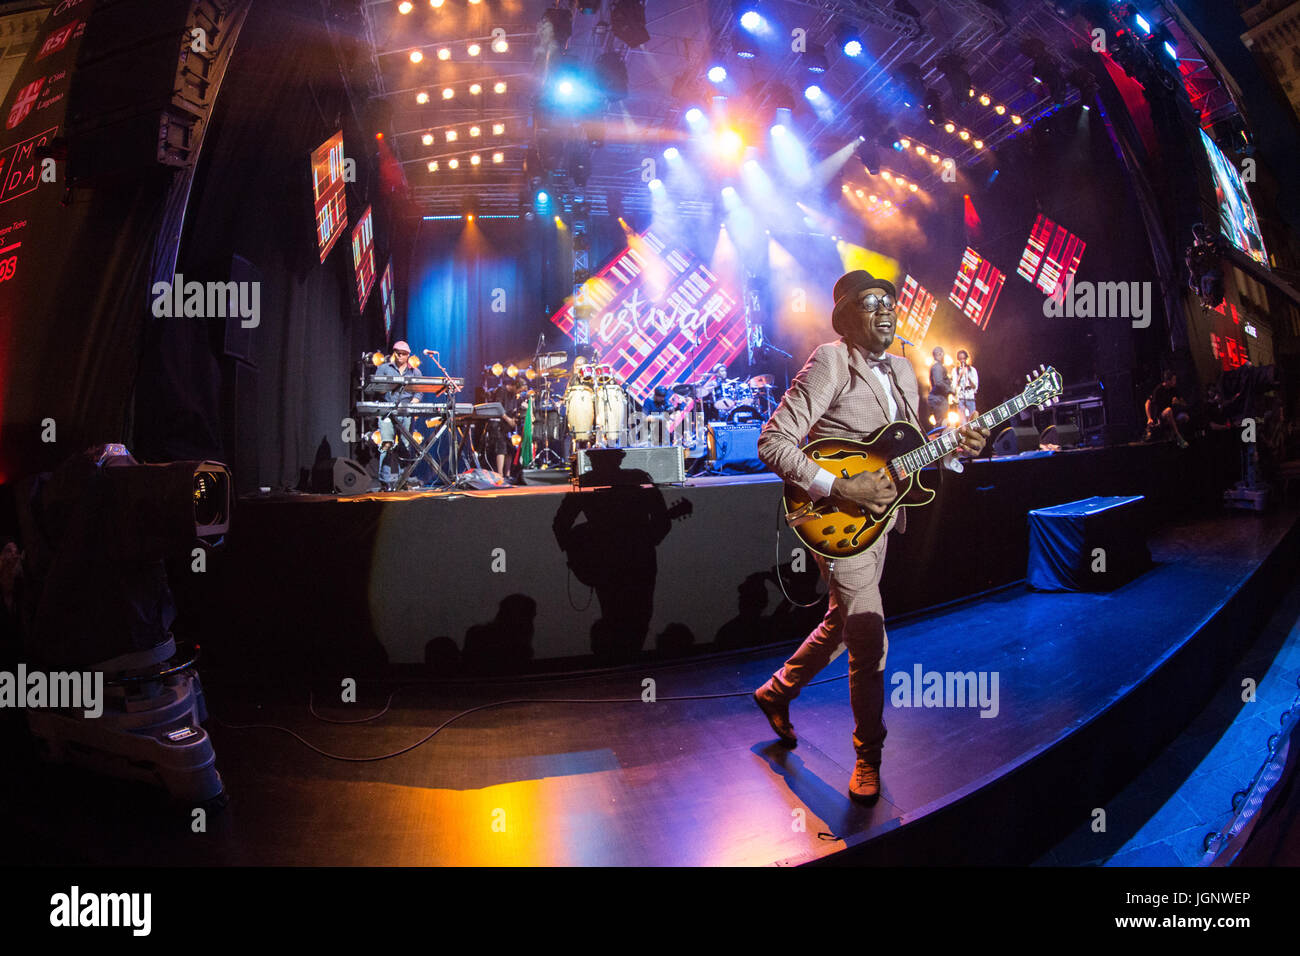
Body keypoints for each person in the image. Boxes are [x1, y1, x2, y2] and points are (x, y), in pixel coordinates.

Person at [752, 270, 989, 804]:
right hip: (836, 521)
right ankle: (868, 756)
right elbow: (773, 441)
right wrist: (841, 486)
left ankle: (778, 690)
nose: (886, 309)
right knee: (868, 633)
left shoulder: (905, 369)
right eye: (871, 302)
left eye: (891, 301)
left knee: (842, 622)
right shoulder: (832, 360)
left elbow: (907, 449)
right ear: (847, 317)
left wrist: (954, 449)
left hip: (881, 521)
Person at [375, 341, 425, 486]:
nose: (400, 356)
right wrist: (389, 387)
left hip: (406, 412)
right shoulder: (384, 368)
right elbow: (377, 389)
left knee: (405, 445)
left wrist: (413, 403)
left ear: (408, 355)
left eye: (403, 354)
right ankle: (385, 482)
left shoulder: (415, 372)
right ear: (394, 353)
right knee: (387, 444)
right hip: (387, 411)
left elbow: (420, 392)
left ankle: (403, 480)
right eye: (397, 352)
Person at [1146, 370, 1189, 449]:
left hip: (1172, 415)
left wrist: (1178, 402)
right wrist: (1149, 418)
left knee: (1184, 416)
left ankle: (1177, 436)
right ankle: (1178, 437)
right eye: (1173, 380)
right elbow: (1148, 403)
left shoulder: (1174, 389)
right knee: (1168, 410)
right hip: (1161, 416)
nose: (1175, 382)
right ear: (1168, 381)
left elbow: (1184, 403)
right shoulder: (1159, 390)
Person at [927, 346, 951, 429]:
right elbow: (939, 382)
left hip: (939, 398)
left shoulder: (938, 366)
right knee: (941, 422)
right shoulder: (937, 367)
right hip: (939, 399)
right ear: (940, 354)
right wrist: (950, 390)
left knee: (942, 421)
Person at [953, 350, 978, 424]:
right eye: (960, 359)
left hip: (970, 397)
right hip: (960, 398)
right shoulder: (955, 370)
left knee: (973, 420)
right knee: (962, 422)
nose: (962, 360)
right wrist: (960, 375)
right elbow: (954, 385)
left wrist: (968, 376)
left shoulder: (972, 370)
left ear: (966, 358)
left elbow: (975, 386)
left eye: (964, 358)